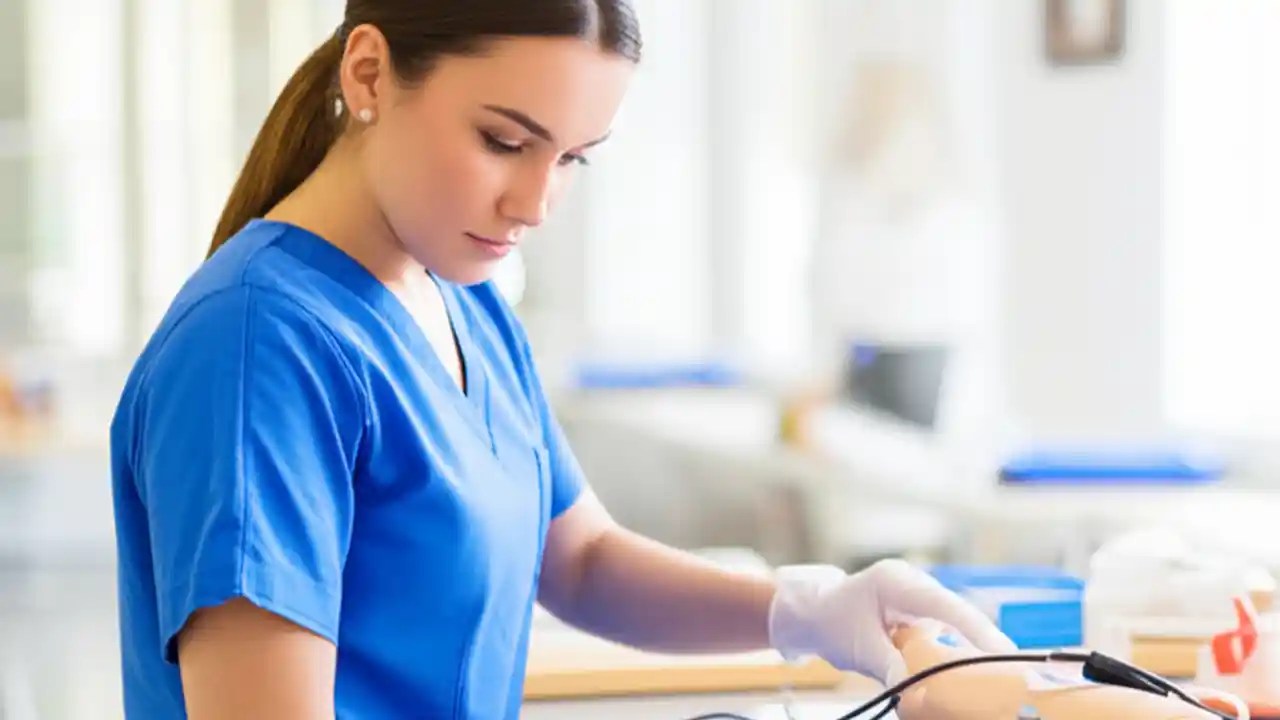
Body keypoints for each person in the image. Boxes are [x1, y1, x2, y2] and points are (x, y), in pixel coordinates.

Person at [109, 1, 1014, 718]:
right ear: (371, 73)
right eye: (504, 141)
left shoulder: (463, 299)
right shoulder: (257, 348)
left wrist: (804, 610)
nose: (538, 202)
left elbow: (578, 561)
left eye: (574, 157)